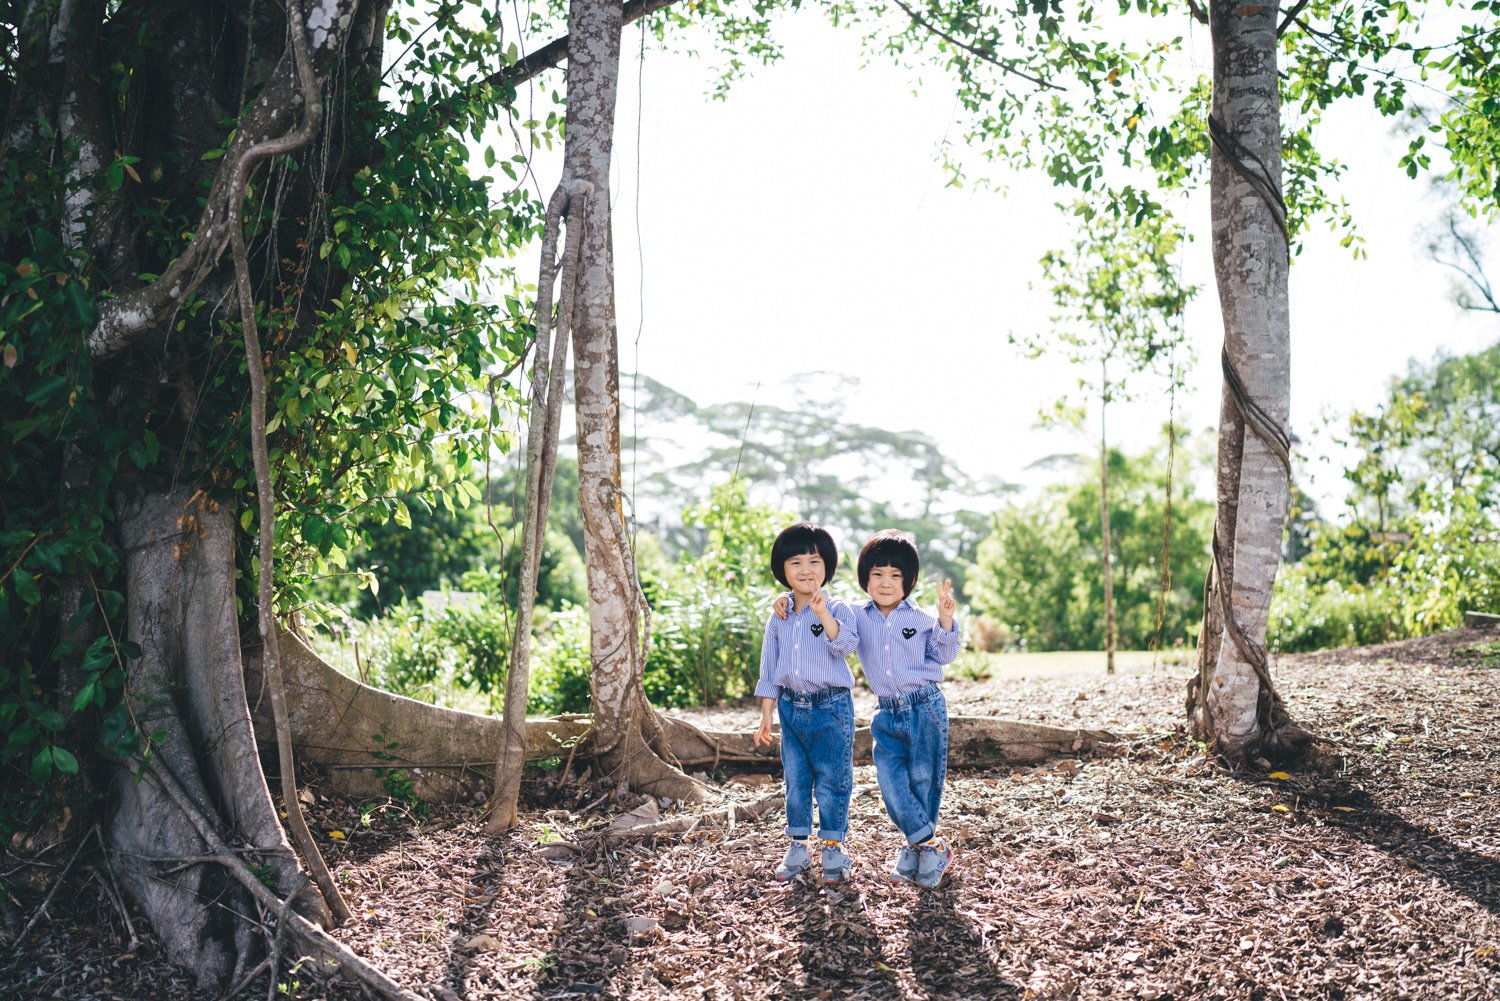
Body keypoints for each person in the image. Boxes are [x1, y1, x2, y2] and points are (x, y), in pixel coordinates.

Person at [776, 529, 961, 887]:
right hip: (886, 713)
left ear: (909, 581)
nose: (886, 583)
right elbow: (817, 609)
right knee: (890, 783)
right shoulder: (855, 614)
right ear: (865, 579)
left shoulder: (921, 618)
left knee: (923, 782)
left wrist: (946, 621)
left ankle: (918, 849)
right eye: (877, 574)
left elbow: (945, 654)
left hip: (925, 707)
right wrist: (783, 599)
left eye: (896, 575)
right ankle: (933, 844)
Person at [753, 521, 860, 883]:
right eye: (795, 562)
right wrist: (767, 713)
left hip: (832, 707)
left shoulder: (839, 608)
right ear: (783, 570)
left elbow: (845, 646)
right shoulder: (779, 615)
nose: (806, 570)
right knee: (796, 779)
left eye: (814, 562)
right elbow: (770, 668)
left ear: (827, 567)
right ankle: (798, 845)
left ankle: (833, 846)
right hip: (791, 710)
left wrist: (821, 613)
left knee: (833, 779)